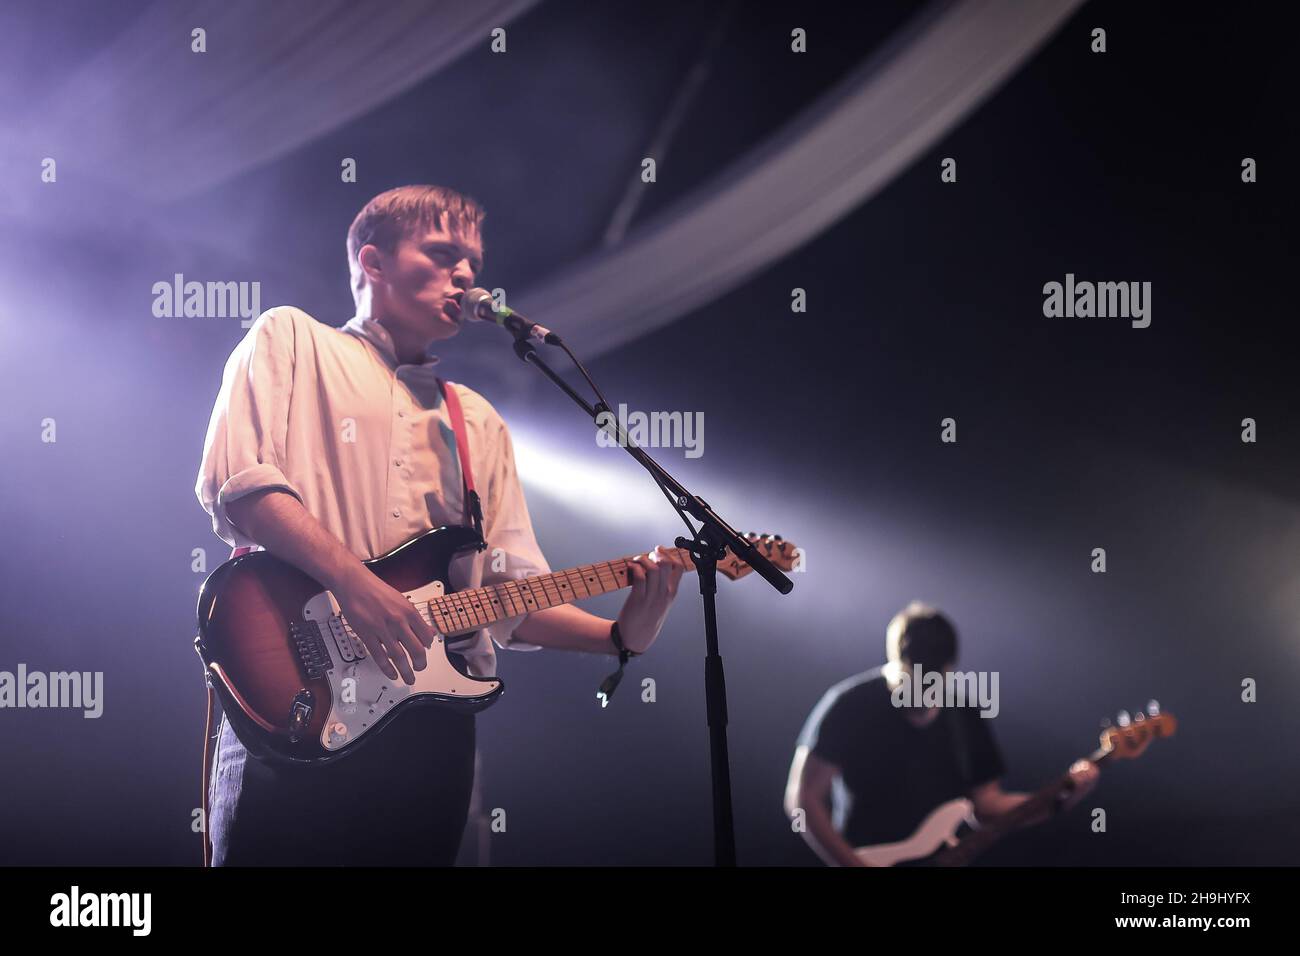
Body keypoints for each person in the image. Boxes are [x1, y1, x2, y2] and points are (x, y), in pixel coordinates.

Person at [196, 184, 686, 865]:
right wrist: (355, 586)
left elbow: (508, 601)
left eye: (473, 265)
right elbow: (239, 484)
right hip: (292, 696)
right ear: (373, 262)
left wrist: (620, 635)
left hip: (429, 735)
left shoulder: (476, 421)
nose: (466, 276)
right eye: (444, 254)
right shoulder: (290, 339)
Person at [784, 601, 1098, 866]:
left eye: (932, 681)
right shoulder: (848, 705)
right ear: (896, 664)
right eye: (913, 681)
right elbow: (804, 799)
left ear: (949, 669)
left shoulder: (963, 713)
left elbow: (987, 806)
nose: (922, 694)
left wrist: (1061, 797)